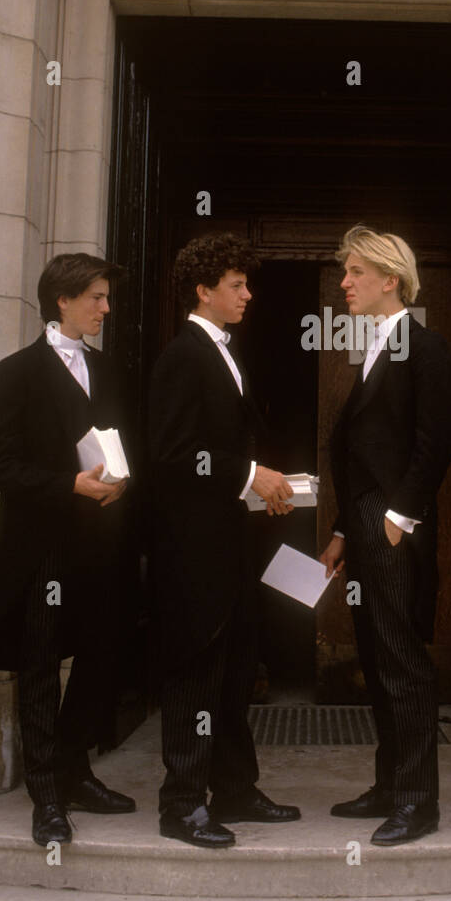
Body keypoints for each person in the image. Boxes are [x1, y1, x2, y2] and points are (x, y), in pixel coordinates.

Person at [0, 254, 135, 847]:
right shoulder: (15, 371)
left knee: (99, 655)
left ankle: (74, 770)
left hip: (99, 542)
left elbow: (120, 445)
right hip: (41, 547)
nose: (105, 307)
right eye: (96, 297)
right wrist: (67, 484)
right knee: (41, 664)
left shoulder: (109, 370)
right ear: (62, 300)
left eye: (105, 296)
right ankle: (46, 794)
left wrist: (120, 483)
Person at [148, 232, 300, 850]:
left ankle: (235, 789)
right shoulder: (183, 356)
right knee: (197, 674)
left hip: (230, 547)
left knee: (236, 672)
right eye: (236, 285)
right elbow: (171, 453)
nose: (248, 294)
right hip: (194, 554)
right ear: (203, 290)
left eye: (246, 284)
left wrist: (263, 482)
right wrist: (248, 475)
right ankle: (181, 804)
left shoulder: (223, 353)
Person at [320, 226, 451, 846]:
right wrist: (347, 531)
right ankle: (387, 785)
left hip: (396, 528)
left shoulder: (425, 348)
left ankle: (417, 801)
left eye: (354, 273)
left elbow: (434, 443)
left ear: (389, 281)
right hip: (366, 528)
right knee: (375, 659)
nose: (344, 283)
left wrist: (397, 520)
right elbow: (362, 452)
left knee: (403, 662)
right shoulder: (372, 346)